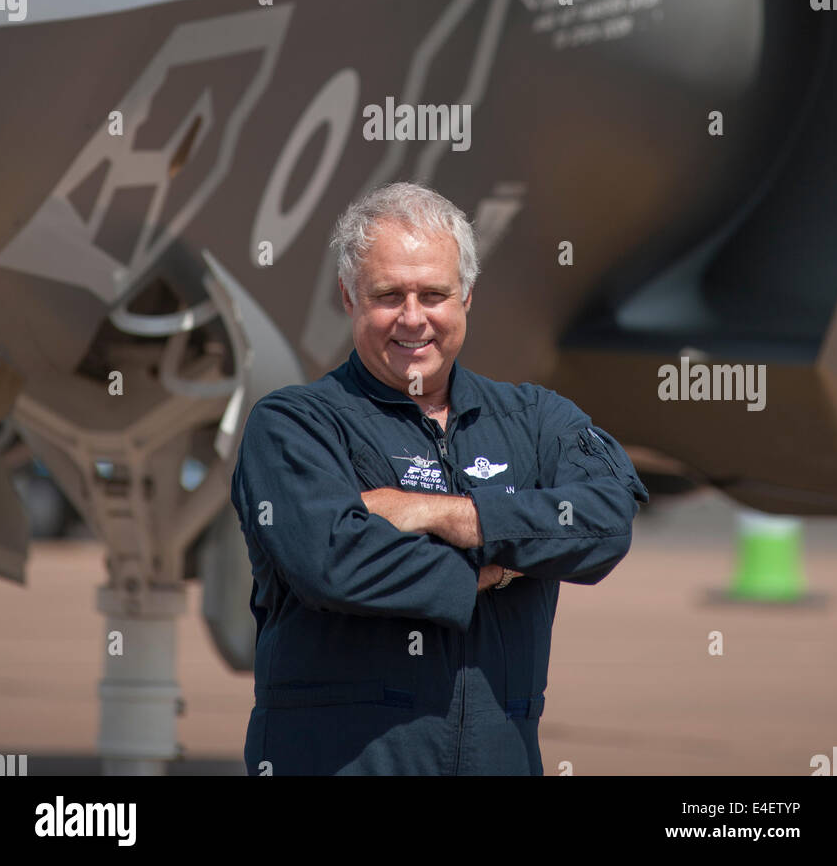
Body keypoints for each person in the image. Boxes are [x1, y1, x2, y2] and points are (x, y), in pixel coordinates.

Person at [231, 181, 648, 776]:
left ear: (467, 297)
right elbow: (335, 562)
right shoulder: (294, 426)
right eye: (387, 295)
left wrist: (444, 515)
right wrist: (507, 561)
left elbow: (606, 522)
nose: (412, 318)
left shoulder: (534, 419)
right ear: (348, 298)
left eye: (434, 294)